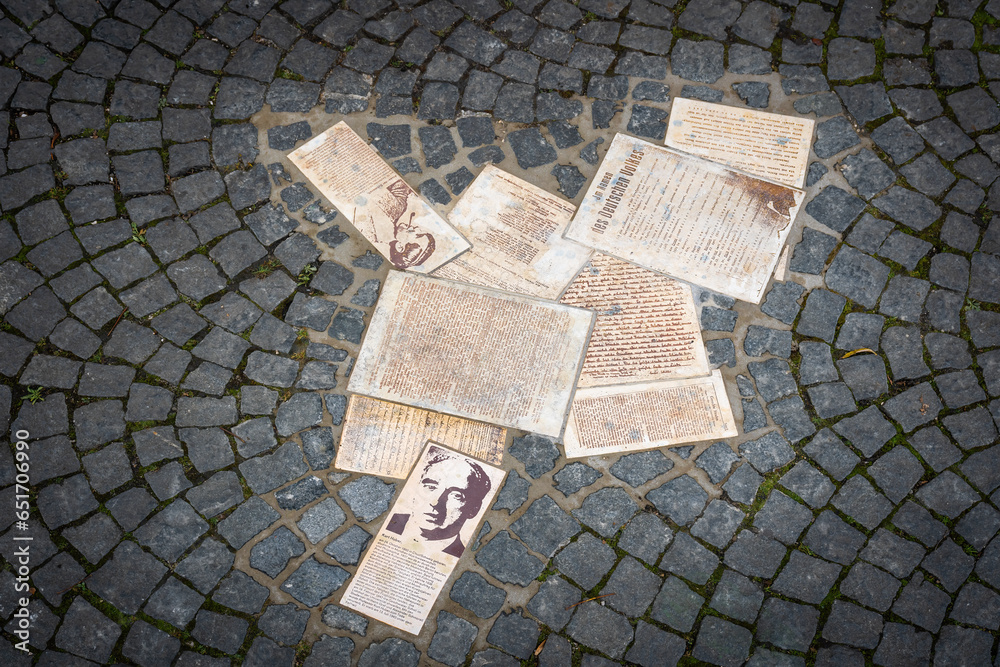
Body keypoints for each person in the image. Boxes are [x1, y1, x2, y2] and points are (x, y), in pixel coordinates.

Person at [386, 448, 491, 557]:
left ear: (474, 509)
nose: (435, 502)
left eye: (456, 494)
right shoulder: (388, 523)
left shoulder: (459, 558)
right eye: (430, 487)